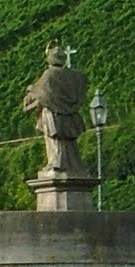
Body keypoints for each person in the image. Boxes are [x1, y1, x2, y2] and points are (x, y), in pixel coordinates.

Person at [22, 40, 88, 174]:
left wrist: (31, 91)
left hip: (52, 113)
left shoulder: (49, 75)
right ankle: (72, 165)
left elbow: (42, 93)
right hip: (69, 115)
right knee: (70, 144)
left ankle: (56, 163)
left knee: (54, 140)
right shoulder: (74, 76)